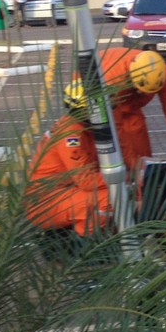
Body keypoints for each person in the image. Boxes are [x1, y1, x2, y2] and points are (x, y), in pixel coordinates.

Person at [99, 48, 166, 172]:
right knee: (110, 156)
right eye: (138, 89)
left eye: (147, 92)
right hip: (104, 109)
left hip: (131, 111)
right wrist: (131, 162)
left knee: (143, 162)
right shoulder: (111, 78)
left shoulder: (164, 74)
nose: (141, 94)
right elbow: (115, 126)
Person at [27, 82, 110, 236]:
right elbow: (86, 181)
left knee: (118, 191)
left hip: (62, 192)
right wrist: (125, 176)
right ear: (86, 110)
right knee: (110, 198)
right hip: (47, 202)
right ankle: (83, 241)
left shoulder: (82, 128)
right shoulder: (71, 136)